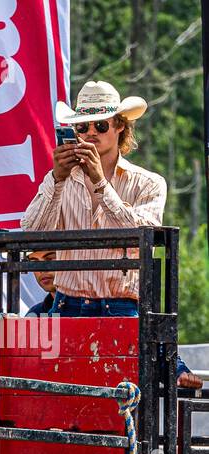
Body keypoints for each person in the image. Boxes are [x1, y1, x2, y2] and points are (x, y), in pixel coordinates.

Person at [21, 79, 200, 390]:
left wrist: (100, 184)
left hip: (123, 305)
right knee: (68, 404)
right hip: (69, 304)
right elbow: (31, 233)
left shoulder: (149, 182)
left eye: (100, 125)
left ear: (120, 126)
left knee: (124, 407)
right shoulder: (62, 180)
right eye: (82, 127)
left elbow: (141, 232)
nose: (90, 133)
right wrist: (55, 179)